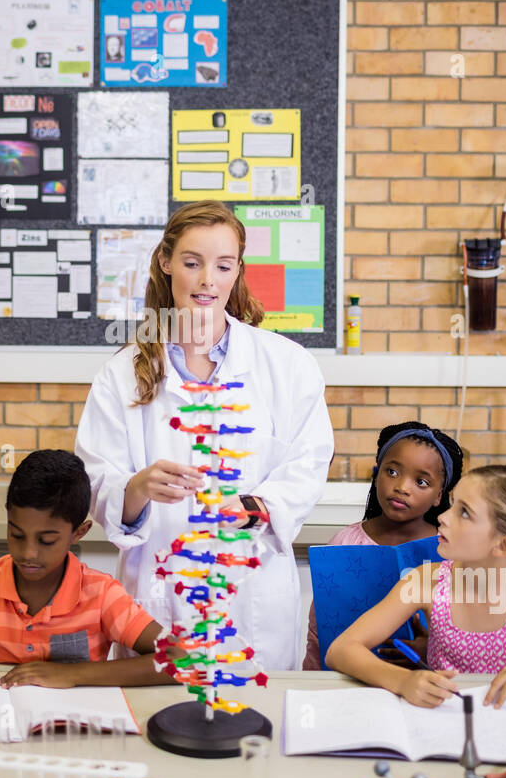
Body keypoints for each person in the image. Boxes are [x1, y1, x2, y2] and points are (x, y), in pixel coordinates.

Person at [75, 201, 334, 670]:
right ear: (166, 262)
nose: (207, 280)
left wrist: (254, 509)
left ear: (238, 270)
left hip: (251, 592)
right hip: (159, 593)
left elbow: (309, 461)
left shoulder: (287, 365)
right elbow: (94, 478)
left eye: (223, 265)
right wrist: (135, 489)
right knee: (155, 728)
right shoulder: (121, 375)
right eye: (192, 263)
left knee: (254, 728)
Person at [0, 450, 177, 690]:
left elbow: (181, 660)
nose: (28, 553)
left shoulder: (101, 594)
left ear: (79, 532)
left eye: (47, 541)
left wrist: (71, 674)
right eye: (16, 534)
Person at [326, 464, 506, 707]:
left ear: (503, 545)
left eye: (464, 512)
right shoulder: (425, 581)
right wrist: (401, 681)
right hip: (447, 721)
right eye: (452, 504)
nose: (443, 517)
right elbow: (341, 650)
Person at [303, 420, 463, 668]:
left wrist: (431, 650)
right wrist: (313, 679)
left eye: (421, 482)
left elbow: (473, 636)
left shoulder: (452, 552)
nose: (401, 487)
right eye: (392, 472)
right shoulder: (344, 543)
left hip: (426, 687)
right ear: (376, 475)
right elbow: (318, 629)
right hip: (346, 679)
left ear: (439, 496)